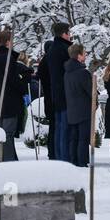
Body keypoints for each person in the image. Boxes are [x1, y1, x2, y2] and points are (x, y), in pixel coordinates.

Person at [0, 30, 28, 161]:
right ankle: (8, 160)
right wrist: (24, 82)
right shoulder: (7, 59)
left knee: (3, 134)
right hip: (8, 103)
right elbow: (13, 81)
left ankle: (8, 158)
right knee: (7, 134)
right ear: (8, 42)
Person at [42, 21, 72, 161]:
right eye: (69, 33)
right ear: (64, 33)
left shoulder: (52, 49)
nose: (70, 36)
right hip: (66, 93)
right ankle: (63, 158)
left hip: (55, 94)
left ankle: (58, 155)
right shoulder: (65, 50)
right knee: (64, 128)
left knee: (58, 128)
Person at [63, 42, 93, 167]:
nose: (85, 56)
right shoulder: (82, 72)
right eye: (84, 53)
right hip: (84, 109)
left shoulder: (67, 72)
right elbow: (91, 91)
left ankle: (73, 159)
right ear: (79, 55)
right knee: (83, 138)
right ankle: (82, 161)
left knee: (74, 137)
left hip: (72, 109)